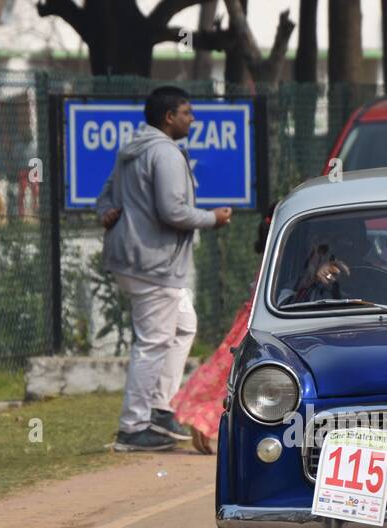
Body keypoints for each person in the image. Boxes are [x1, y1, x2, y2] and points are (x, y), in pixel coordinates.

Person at [96, 86, 232, 451]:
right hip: (152, 262)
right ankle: (133, 427)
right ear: (169, 117)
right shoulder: (165, 153)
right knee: (153, 342)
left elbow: (105, 195)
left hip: (134, 257)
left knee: (184, 325)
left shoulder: (132, 149)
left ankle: (159, 407)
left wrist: (105, 211)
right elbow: (172, 211)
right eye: (187, 113)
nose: (193, 119)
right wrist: (212, 218)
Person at [170, 206, 277, 454]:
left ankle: (200, 419)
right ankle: (206, 421)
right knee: (238, 379)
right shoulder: (281, 257)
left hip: (245, 321)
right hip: (259, 324)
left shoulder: (266, 257)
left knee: (222, 373)